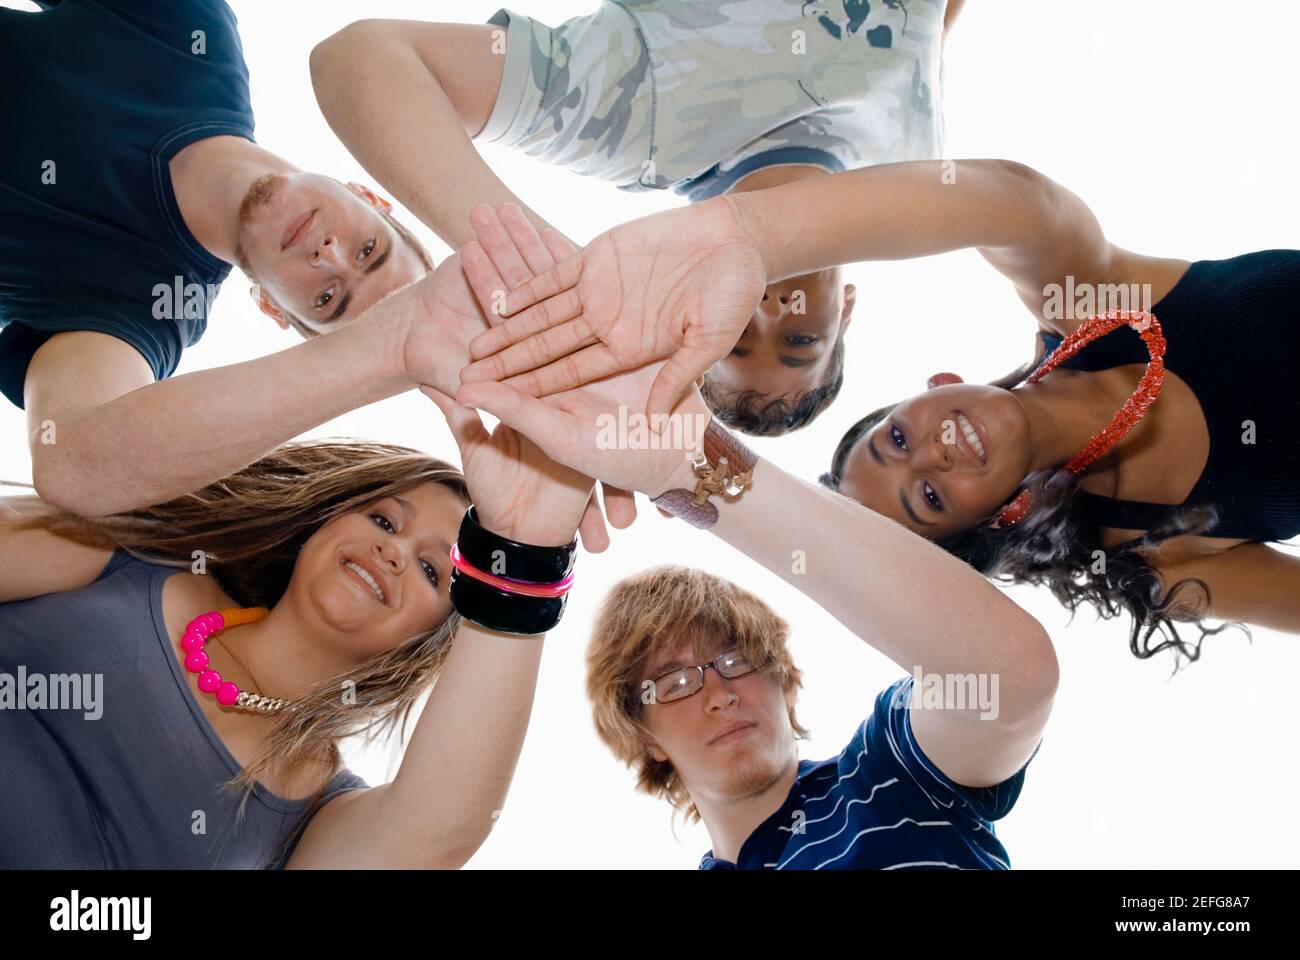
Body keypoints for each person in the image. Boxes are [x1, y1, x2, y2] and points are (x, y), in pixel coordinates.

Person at [456, 160, 1300, 660]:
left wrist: (736, 238)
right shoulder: (1152, 550)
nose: (931, 456)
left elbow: (1009, 203)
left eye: (897, 437)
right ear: (998, 516)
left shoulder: (1087, 301)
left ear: (933, 385)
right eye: (928, 498)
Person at [447, 203, 1056, 868]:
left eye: (737, 661)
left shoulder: (895, 774)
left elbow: (1010, 677)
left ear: (786, 679)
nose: (719, 693)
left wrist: (691, 464)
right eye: (672, 682)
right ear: (643, 735)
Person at [311, 0, 965, 434]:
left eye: (732, 339)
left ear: (688, 313)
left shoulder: (631, 127)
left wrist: (540, 276)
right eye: (800, 340)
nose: (766, 310)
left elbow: (357, 60)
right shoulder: (914, 175)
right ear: (846, 309)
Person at [0, 395, 596, 868]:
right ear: (324, 520)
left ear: (427, 640)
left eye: (429, 569)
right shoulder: (143, 556)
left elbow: (435, 836)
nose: (391, 551)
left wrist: (526, 547)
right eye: (384, 519)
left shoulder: (319, 813)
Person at [0, 0, 472, 524]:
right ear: (368, 195)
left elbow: (74, 466)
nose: (330, 256)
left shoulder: (147, 308)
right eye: (369, 250)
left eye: (328, 298)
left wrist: (386, 354)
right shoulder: (193, 35)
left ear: (271, 307)